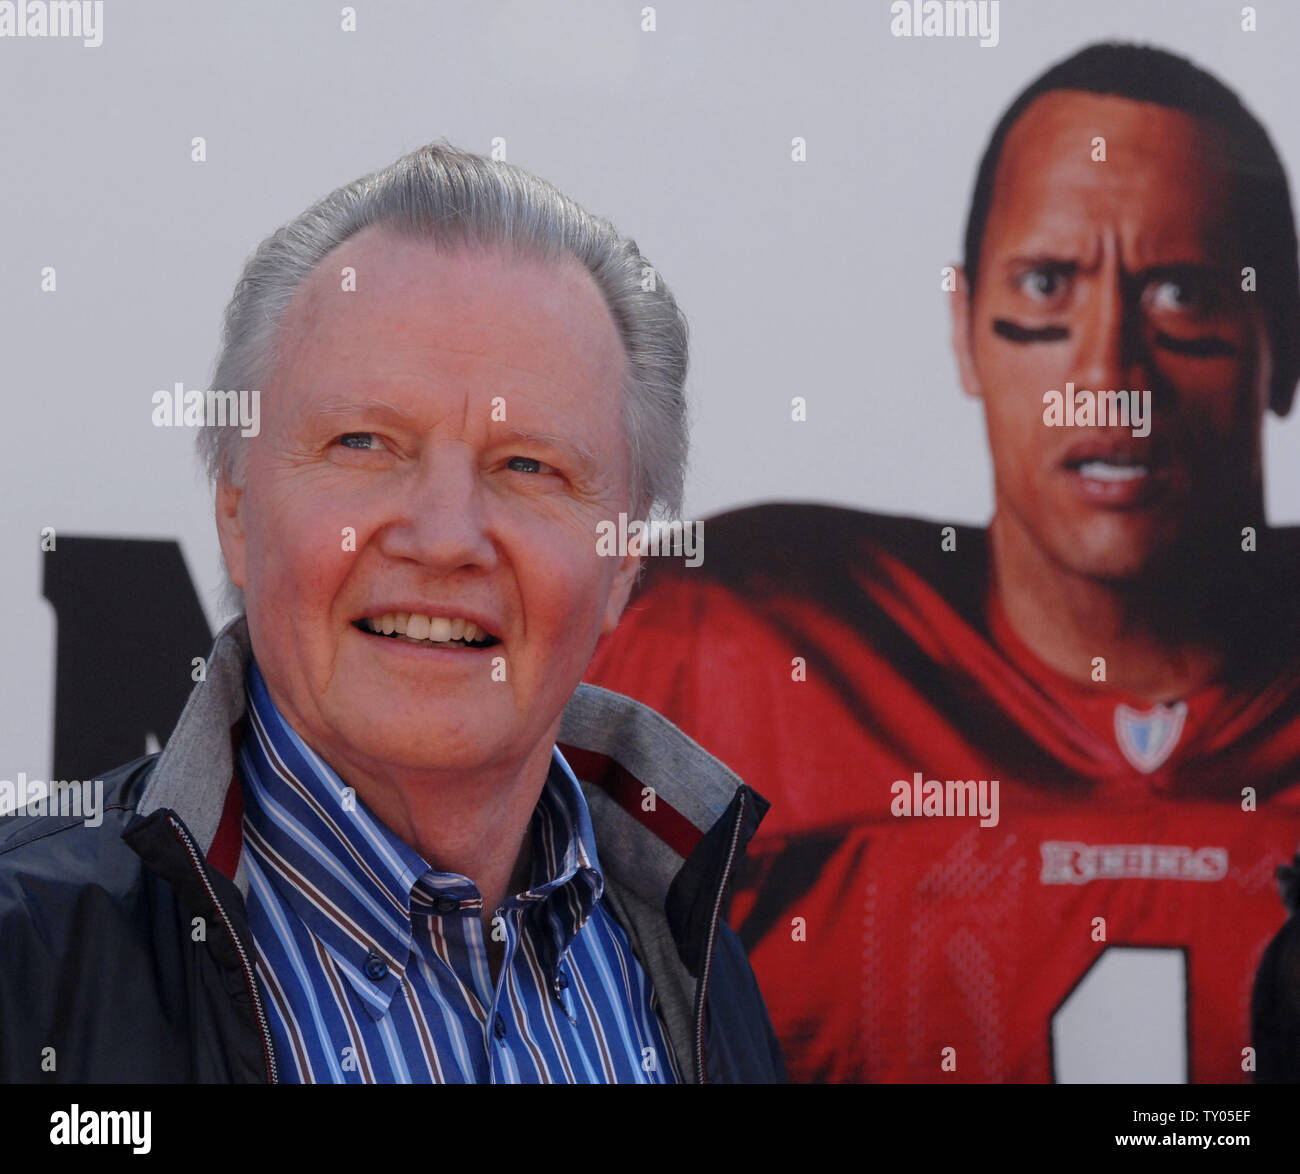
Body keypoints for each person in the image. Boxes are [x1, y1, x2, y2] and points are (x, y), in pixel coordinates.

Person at [587, 42, 1300, 1083]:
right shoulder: (730, 646)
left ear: (1281, 333)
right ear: (966, 328)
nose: (1107, 374)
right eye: (1048, 284)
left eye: (1181, 292)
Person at [0, 144, 784, 1084]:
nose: (446, 536)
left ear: (622, 560)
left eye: (529, 466)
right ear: (237, 511)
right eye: (364, 442)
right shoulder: (25, 966)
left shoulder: (692, 958)